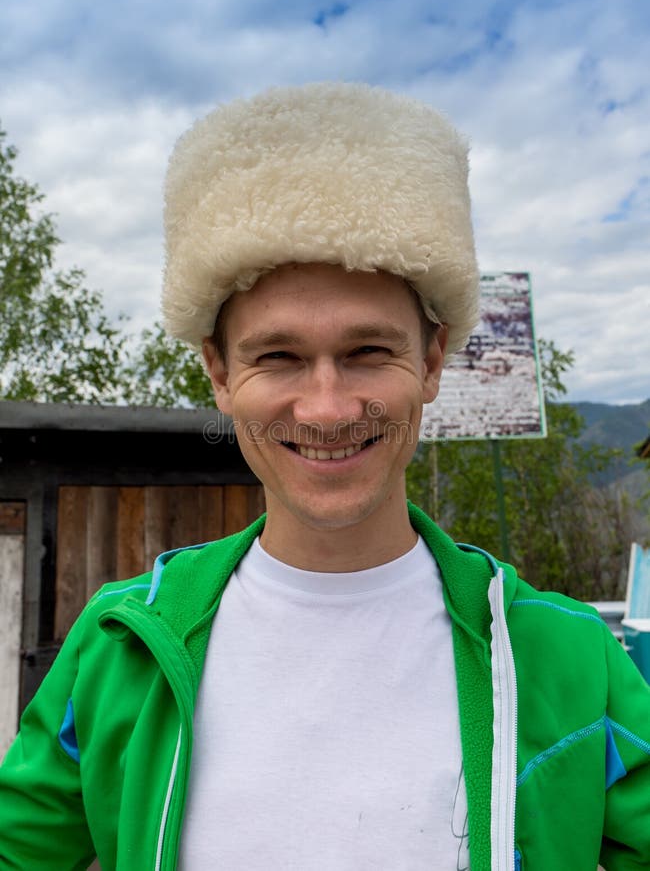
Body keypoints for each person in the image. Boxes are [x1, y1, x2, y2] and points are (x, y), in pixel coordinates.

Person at [1, 83, 649, 871]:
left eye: (368, 351)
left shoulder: (571, 660)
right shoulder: (119, 647)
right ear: (218, 373)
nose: (328, 407)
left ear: (432, 360)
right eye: (278, 356)